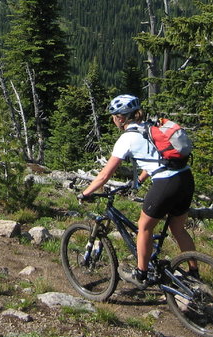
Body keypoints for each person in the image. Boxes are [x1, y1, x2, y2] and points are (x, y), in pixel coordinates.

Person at [77, 94, 196, 287]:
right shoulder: (150, 127)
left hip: (166, 184)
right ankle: (194, 271)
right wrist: (139, 180)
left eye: (114, 116)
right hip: (185, 179)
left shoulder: (127, 139)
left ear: (121, 118)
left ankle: (141, 274)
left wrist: (85, 193)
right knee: (178, 229)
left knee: (144, 227)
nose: (113, 119)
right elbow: (157, 158)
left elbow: (104, 176)